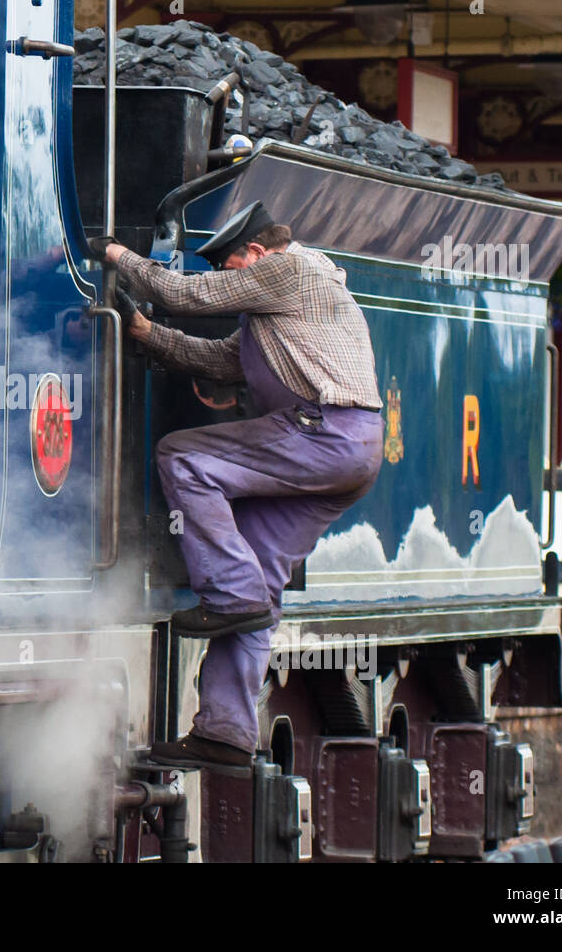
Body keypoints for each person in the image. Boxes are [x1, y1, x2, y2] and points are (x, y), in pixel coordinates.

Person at [91, 204, 384, 768]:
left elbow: (190, 296)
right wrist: (146, 332)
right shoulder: (279, 315)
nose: (230, 281)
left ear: (255, 253)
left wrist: (114, 254)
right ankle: (224, 731)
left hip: (323, 434)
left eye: (231, 268)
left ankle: (230, 593)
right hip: (349, 450)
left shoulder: (292, 269)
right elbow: (222, 360)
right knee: (257, 586)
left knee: (185, 457)